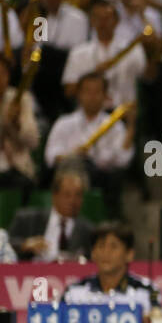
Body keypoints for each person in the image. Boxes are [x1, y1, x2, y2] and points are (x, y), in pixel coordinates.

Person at [44, 73, 135, 217]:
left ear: (105, 96)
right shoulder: (64, 122)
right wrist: (72, 155)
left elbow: (124, 160)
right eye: (87, 91)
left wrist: (130, 128)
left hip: (99, 175)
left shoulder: (114, 125)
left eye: (97, 92)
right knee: (72, 163)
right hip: (66, 172)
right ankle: (68, 201)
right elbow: (50, 156)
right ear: (79, 94)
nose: (92, 96)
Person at [62, 0, 156, 110]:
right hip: (90, 113)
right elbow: (69, 91)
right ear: (92, 21)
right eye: (98, 18)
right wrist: (94, 74)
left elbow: (149, 76)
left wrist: (151, 51)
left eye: (107, 18)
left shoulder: (132, 49)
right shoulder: (78, 52)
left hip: (124, 112)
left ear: (116, 21)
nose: (102, 23)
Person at [62, 221, 162, 319]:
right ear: (93, 253)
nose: (106, 252)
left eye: (114, 247)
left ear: (129, 254)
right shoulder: (73, 291)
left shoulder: (149, 291)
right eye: (101, 246)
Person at [9, 166, 95, 262]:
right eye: (67, 195)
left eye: (78, 195)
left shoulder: (88, 230)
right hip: (31, 273)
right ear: (55, 196)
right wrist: (25, 244)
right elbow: (6, 244)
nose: (73, 201)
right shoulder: (28, 219)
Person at [0, 54, 41, 198]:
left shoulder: (20, 98)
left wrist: (17, 123)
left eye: (3, 73)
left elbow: (33, 142)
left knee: (21, 184)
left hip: (14, 165)